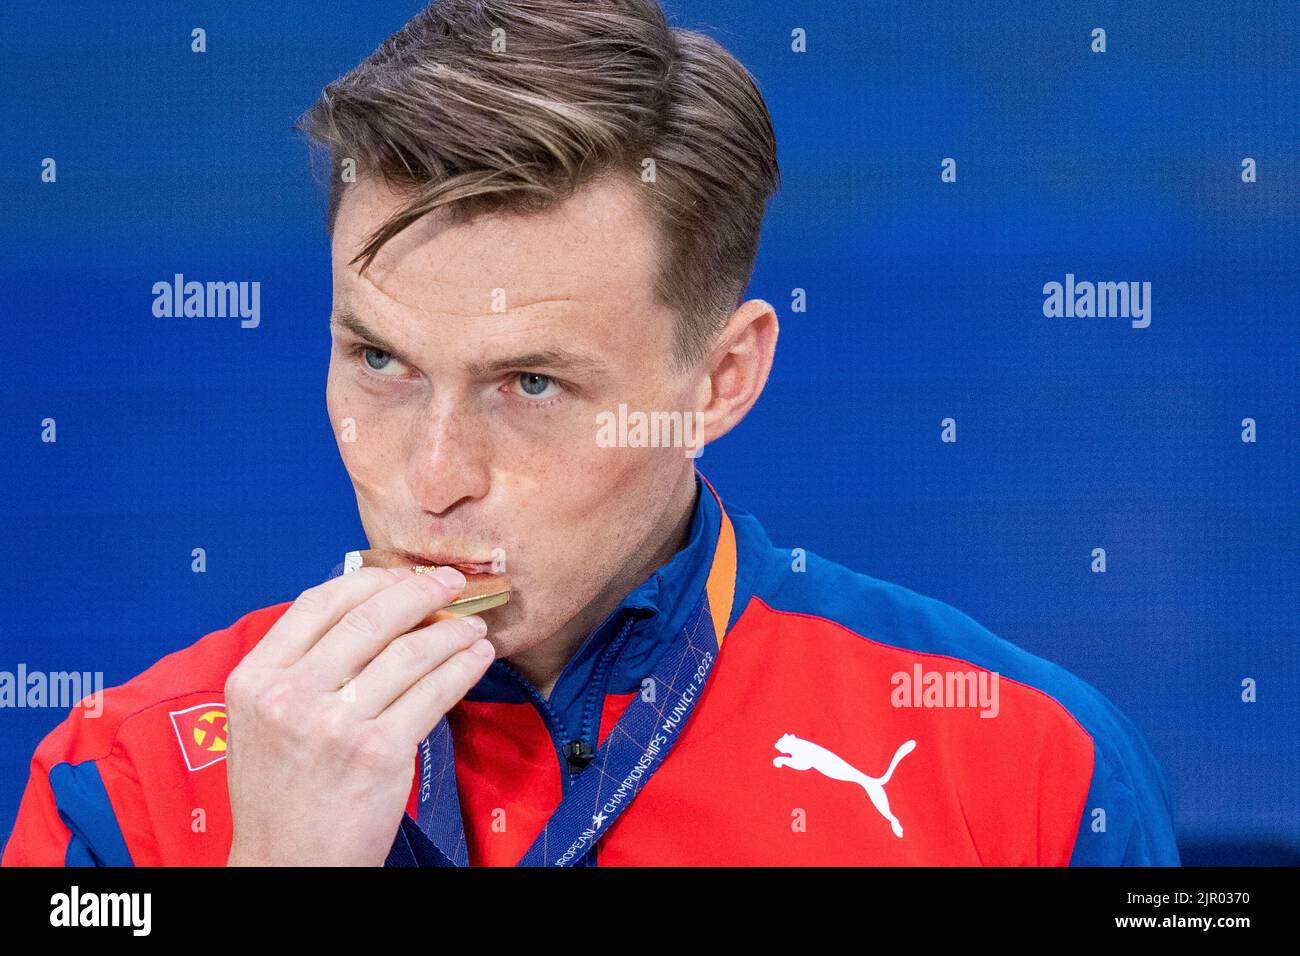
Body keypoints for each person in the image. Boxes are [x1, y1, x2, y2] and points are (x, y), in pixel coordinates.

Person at [2, 0, 1178, 867]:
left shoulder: (1029, 768)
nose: (432, 477)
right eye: (380, 361)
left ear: (721, 379)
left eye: (529, 383)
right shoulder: (122, 784)